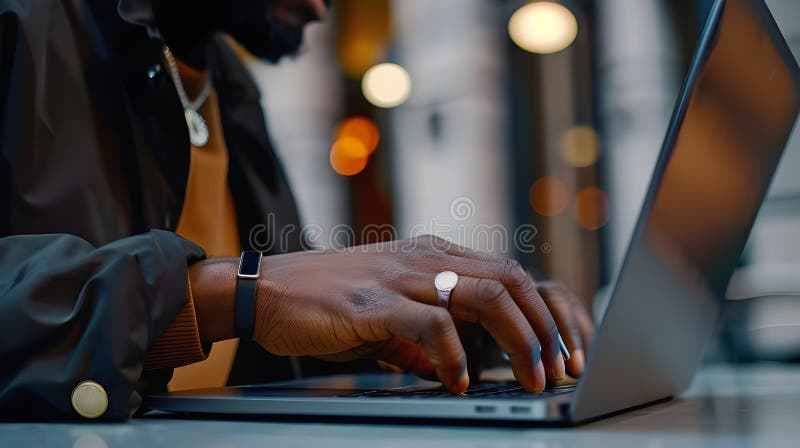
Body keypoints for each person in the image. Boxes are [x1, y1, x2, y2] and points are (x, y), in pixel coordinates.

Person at [0, 0, 593, 420]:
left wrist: (447, 314)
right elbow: (253, 297)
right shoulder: (26, 22)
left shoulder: (226, 86)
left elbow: (272, 327)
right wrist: (232, 293)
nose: (320, 9)